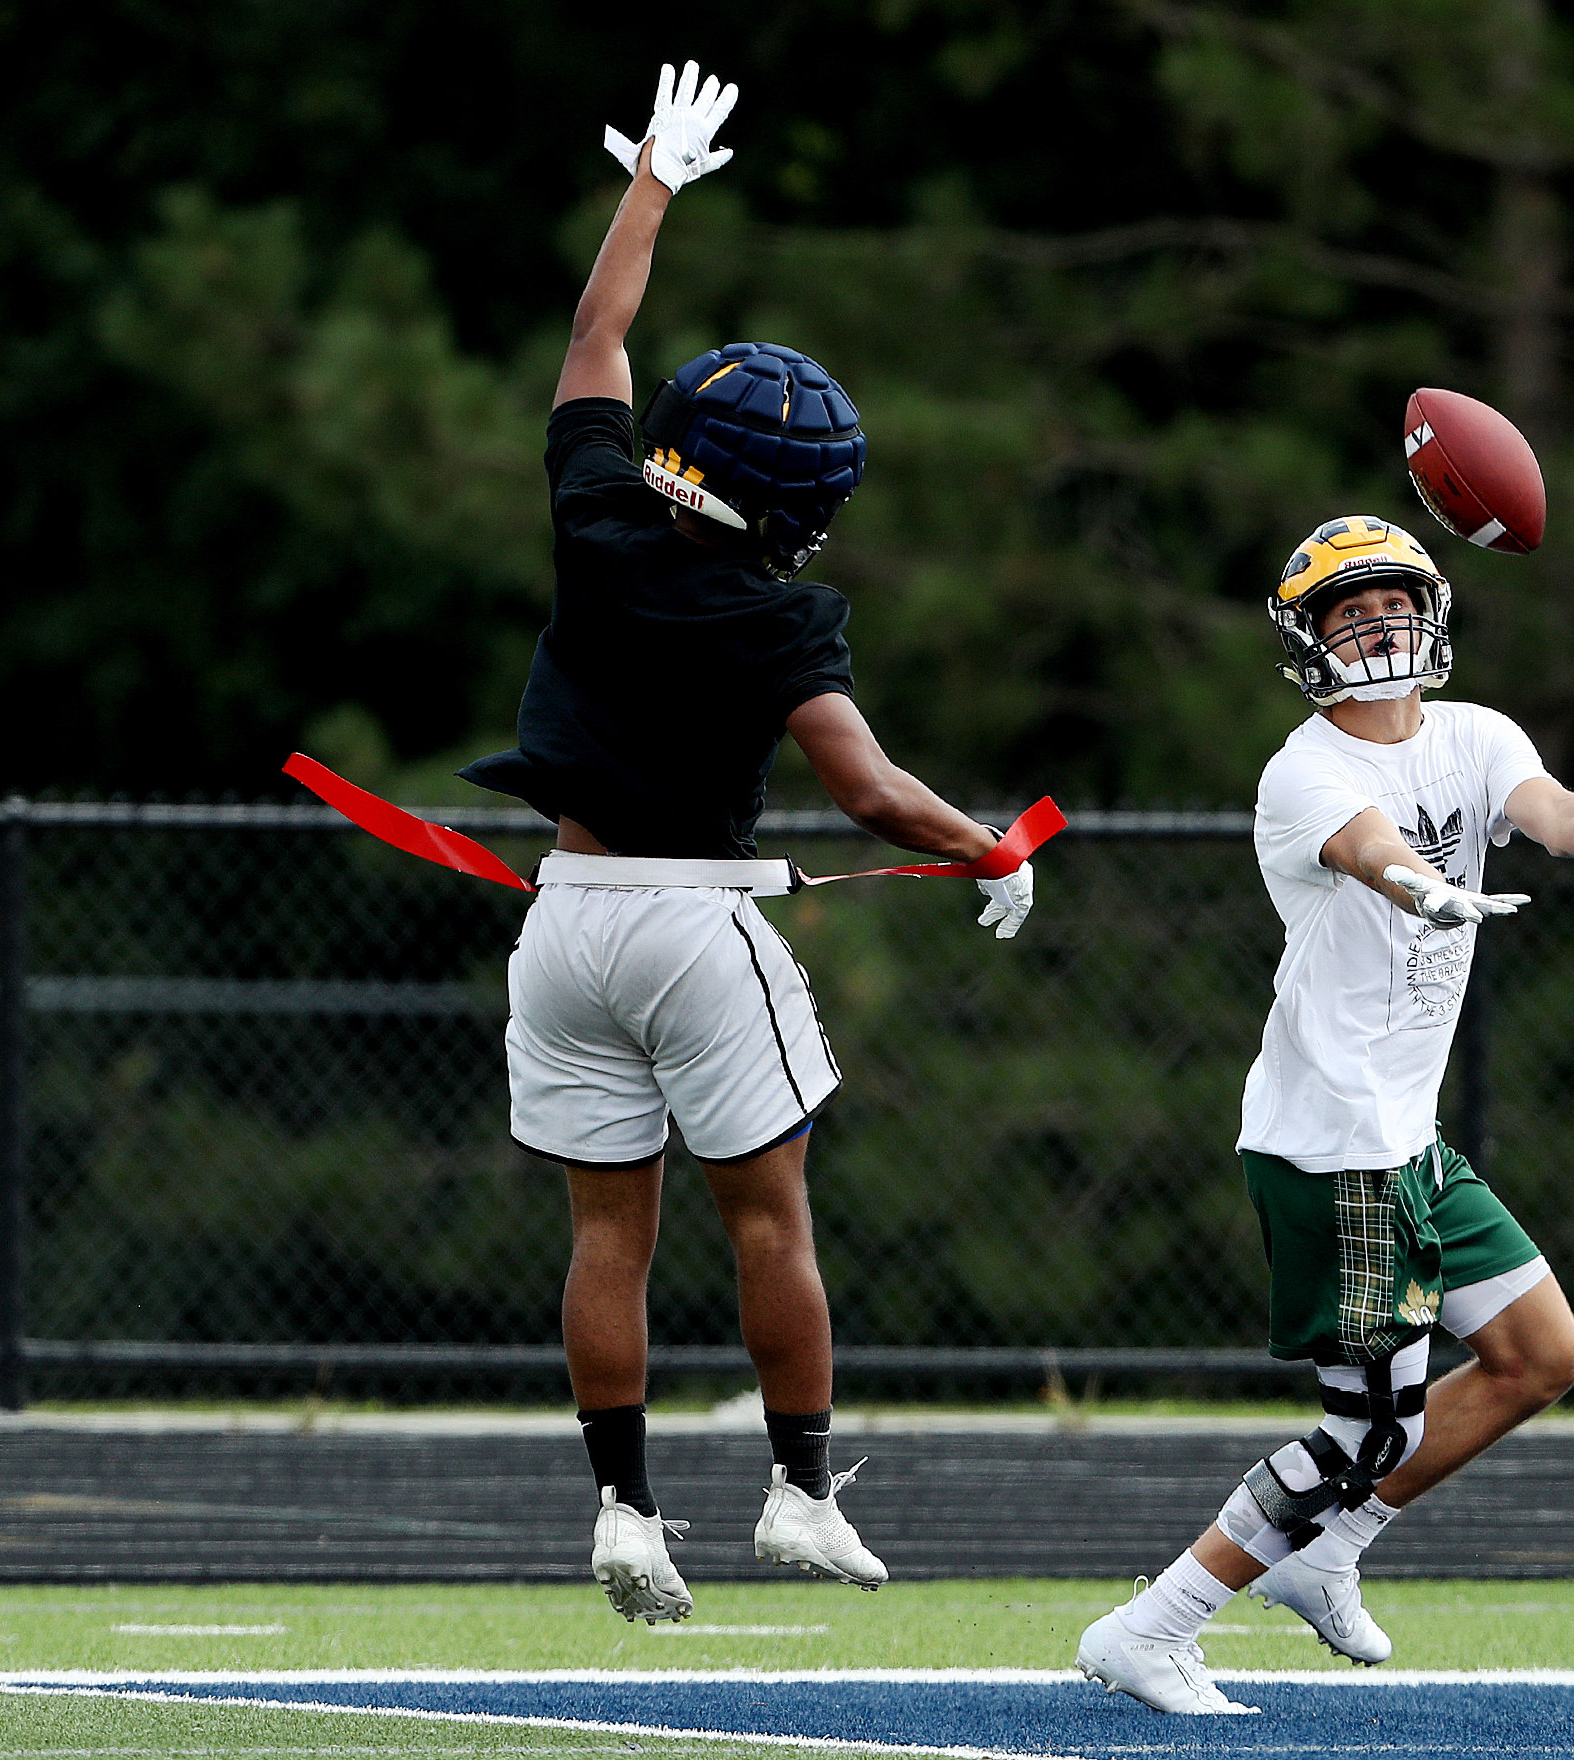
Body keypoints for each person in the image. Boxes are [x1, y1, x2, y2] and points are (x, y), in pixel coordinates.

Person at [459, 62, 1035, 1627]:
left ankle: (625, 1516)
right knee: (768, 1216)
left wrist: (653, 179)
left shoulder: (594, 511)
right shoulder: (777, 611)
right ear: (802, 502)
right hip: (691, 929)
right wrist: (988, 848)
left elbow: (595, 338)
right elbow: (865, 789)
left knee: (606, 1238)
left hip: (561, 924)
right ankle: (795, 1489)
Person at [1072, 514, 1574, 1713]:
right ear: (1307, 638)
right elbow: (1371, 844)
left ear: (1433, 614)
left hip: (1408, 1137)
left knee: (1541, 1354)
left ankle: (1330, 1548)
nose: (1377, 624)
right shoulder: (1304, 768)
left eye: (1393, 603)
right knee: (1366, 1425)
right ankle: (1151, 1624)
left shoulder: (1475, 733)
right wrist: (1426, 888)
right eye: (1349, 609)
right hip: (1329, 1145)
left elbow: (1548, 804)